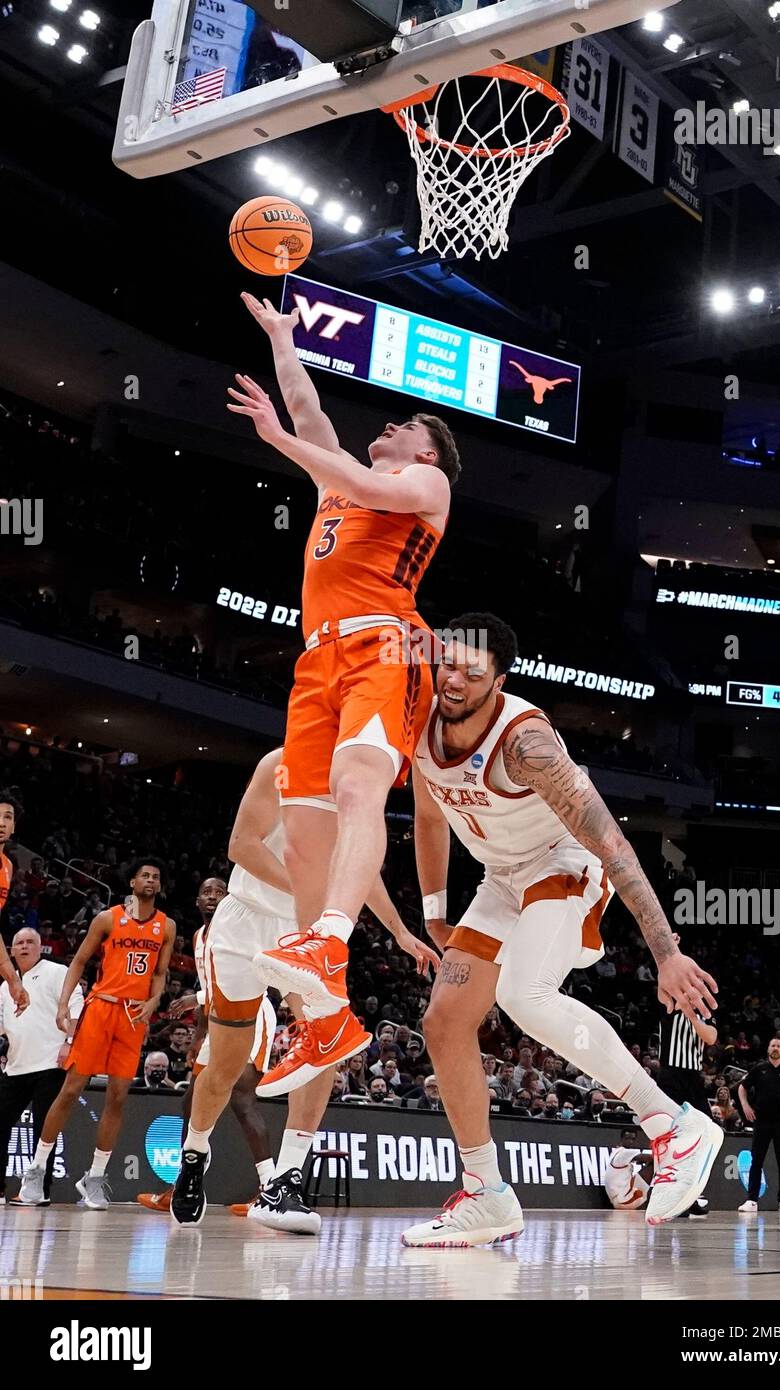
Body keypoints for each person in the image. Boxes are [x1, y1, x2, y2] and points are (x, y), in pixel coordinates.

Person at [401, 615, 722, 1247]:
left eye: (474, 671)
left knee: (525, 995)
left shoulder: (526, 743)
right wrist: (435, 911)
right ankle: (487, 1193)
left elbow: (610, 840)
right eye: (450, 664)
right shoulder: (416, 722)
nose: (457, 679)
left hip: (562, 862)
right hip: (501, 877)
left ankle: (671, 1125)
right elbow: (429, 816)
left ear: (498, 679)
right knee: (443, 1021)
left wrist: (666, 952)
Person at [229, 297, 457, 1067]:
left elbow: (361, 481)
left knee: (361, 789)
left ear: (427, 454)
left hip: (382, 649)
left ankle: (327, 943)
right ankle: (325, 1021)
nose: (390, 426)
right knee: (301, 841)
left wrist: (281, 444)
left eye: (406, 426)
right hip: (315, 662)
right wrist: (283, 341)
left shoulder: (427, 490)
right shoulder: (342, 481)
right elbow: (305, 403)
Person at [170, 749, 437, 1228]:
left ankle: (286, 1180)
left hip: (307, 927)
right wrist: (312, 889)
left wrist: (399, 931)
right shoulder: (280, 760)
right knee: (226, 1061)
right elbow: (242, 846)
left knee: (325, 1042)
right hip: (245, 920)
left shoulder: (365, 773)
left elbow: (362, 868)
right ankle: (194, 1152)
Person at [18, 859, 175, 1210]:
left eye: (156, 876)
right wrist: (63, 1005)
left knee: (118, 1096)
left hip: (133, 1015)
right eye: (145, 875)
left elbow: (161, 972)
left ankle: (95, 1176)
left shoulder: (167, 927)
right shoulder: (107, 918)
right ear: (132, 881)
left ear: (159, 886)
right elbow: (79, 962)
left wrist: (154, 1001)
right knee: (72, 1087)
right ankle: (36, 1169)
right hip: (102, 1007)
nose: (150, 879)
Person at [139, 877, 280, 1216]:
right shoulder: (200, 937)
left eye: (220, 892)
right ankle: (183, 1183)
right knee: (192, 1103)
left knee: (241, 1099)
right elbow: (211, 989)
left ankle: (271, 1189)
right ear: (197, 901)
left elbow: (251, 977)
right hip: (218, 1020)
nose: (213, 896)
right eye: (207, 892)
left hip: (251, 1012)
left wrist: (196, 997)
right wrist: (200, 1035)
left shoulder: (240, 928)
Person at [0, 927, 84, 1205]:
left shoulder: (56, 972)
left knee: (43, 1130)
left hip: (50, 1063)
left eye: (29, 942)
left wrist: (69, 1041)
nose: (24, 947)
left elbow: (77, 1005)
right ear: (10, 951)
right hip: (15, 1066)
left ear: (40, 947)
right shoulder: (6, 985)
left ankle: (40, 1191)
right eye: (18, 943)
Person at [656, 938, 717, 1217]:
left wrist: (694, 1017)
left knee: (703, 1131)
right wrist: (666, 952)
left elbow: (712, 1037)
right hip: (670, 1074)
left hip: (693, 1076)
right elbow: (661, 988)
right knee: (670, 1133)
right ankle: (667, 1192)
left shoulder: (704, 1010)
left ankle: (691, 1193)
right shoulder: (670, 1001)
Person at [738, 1038, 780, 1214]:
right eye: (772, 1045)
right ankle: (752, 1200)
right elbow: (742, 1088)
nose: (775, 1048)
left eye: (778, 1046)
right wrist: (745, 1106)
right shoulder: (759, 1069)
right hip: (761, 1121)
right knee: (756, 1160)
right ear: (768, 1049)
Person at [0, 792, 30, 1014]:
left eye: (8, 817)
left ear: (14, 828)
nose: (1, 822)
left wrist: (13, 980)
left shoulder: (8, 866)